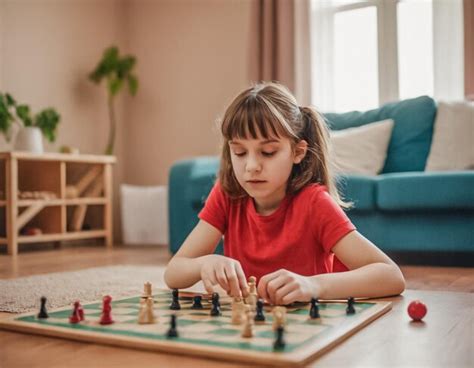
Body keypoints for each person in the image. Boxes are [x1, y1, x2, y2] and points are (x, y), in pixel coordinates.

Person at [164, 82, 405, 305]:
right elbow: (173, 273)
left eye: (267, 152)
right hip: (253, 328)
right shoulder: (228, 195)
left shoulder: (314, 202)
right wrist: (205, 263)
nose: (251, 166)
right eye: (239, 152)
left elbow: (392, 276)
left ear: (298, 152)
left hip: (306, 330)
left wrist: (313, 284)